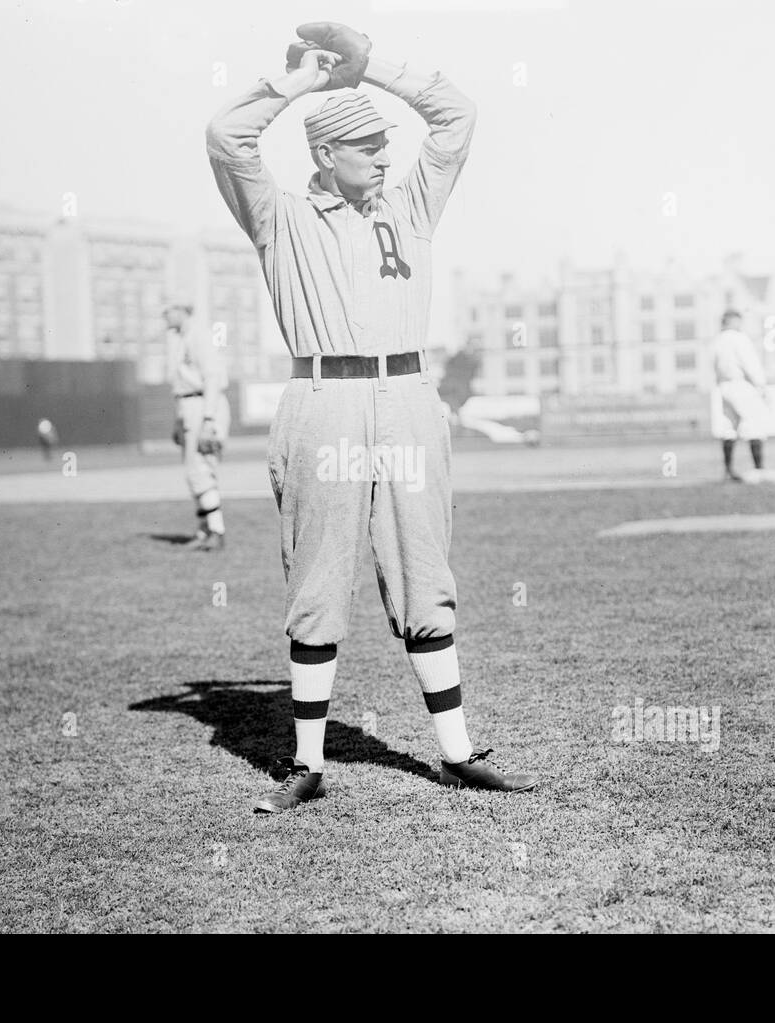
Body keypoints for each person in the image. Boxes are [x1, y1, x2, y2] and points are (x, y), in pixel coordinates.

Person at [207, 21, 538, 813]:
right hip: (323, 400)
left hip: (408, 400)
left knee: (426, 574)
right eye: (366, 147)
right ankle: (308, 763)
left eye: (384, 145)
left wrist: (371, 70)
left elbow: (456, 114)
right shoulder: (278, 217)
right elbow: (226, 135)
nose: (385, 157)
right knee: (320, 581)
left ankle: (457, 754)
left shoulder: (411, 205)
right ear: (324, 153)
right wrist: (304, 85)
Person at [164, 296, 229, 551]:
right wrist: (178, 421)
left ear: (182, 310)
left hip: (204, 404)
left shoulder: (199, 336)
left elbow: (212, 377)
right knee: (194, 472)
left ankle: (216, 530)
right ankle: (205, 530)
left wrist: (209, 419)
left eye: (168, 310)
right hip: (189, 405)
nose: (165, 316)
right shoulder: (181, 338)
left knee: (202, 469)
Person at [711, 309, 769, 482]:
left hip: (724, 386)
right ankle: (758, 469)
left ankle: (728, 470)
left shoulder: (717, 341)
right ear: (731, 321)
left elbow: (714, 366)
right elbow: (749, 363)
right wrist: (760, 385)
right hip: (740, 384)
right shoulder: (738, 338)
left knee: (729, 428)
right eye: (738, 321)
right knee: (754, 424)